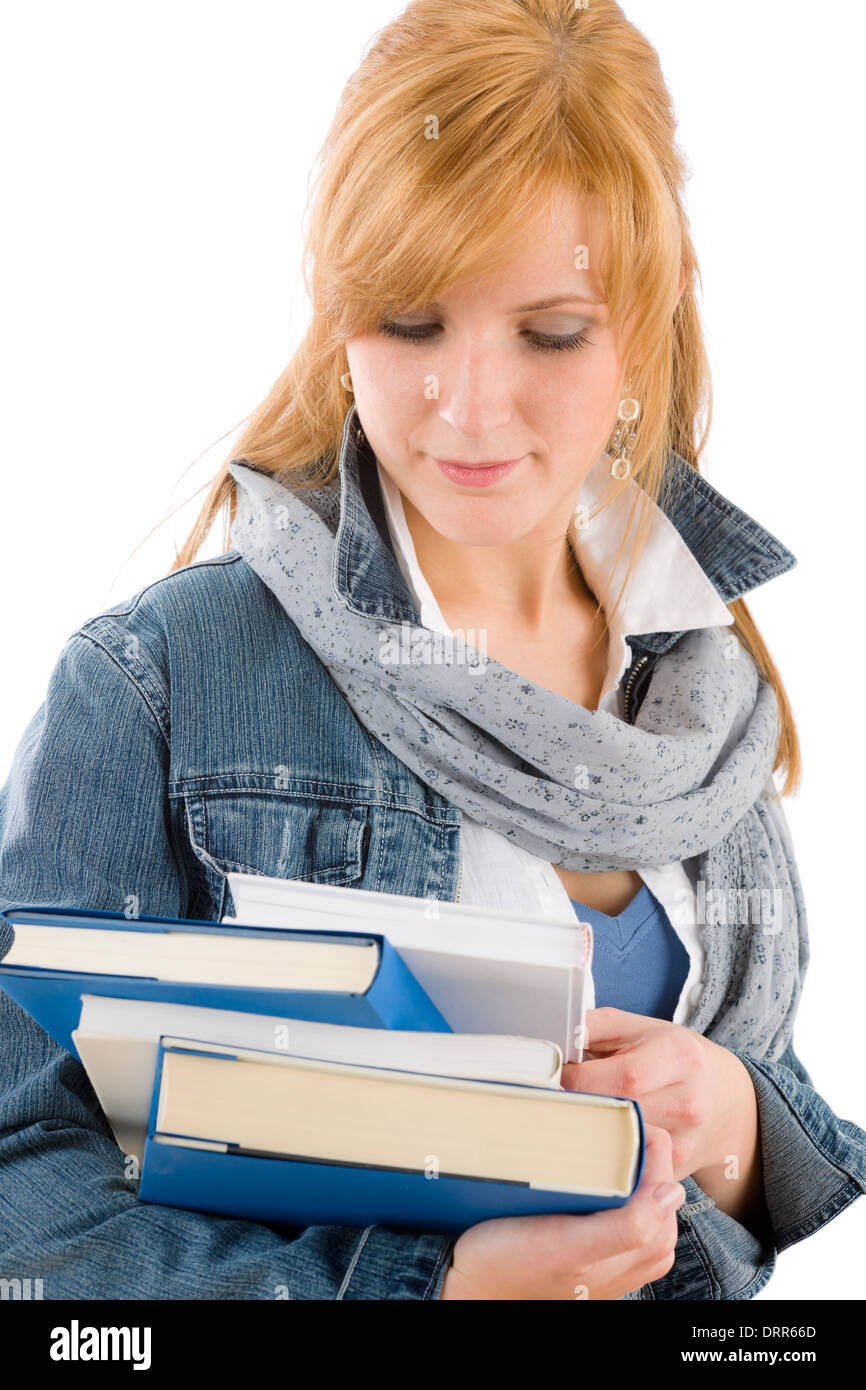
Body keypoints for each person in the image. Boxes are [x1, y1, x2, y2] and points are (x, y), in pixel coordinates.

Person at [0, 0, 863, 1301]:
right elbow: (24, 1201)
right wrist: (434, 1293)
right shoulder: (159, 684)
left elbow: (750, 1115)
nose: (468, 407)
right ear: (338, 315)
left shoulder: (702, 679)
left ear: (650, 311)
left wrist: (737, 1122)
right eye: (408, 324)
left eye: (549, 332)